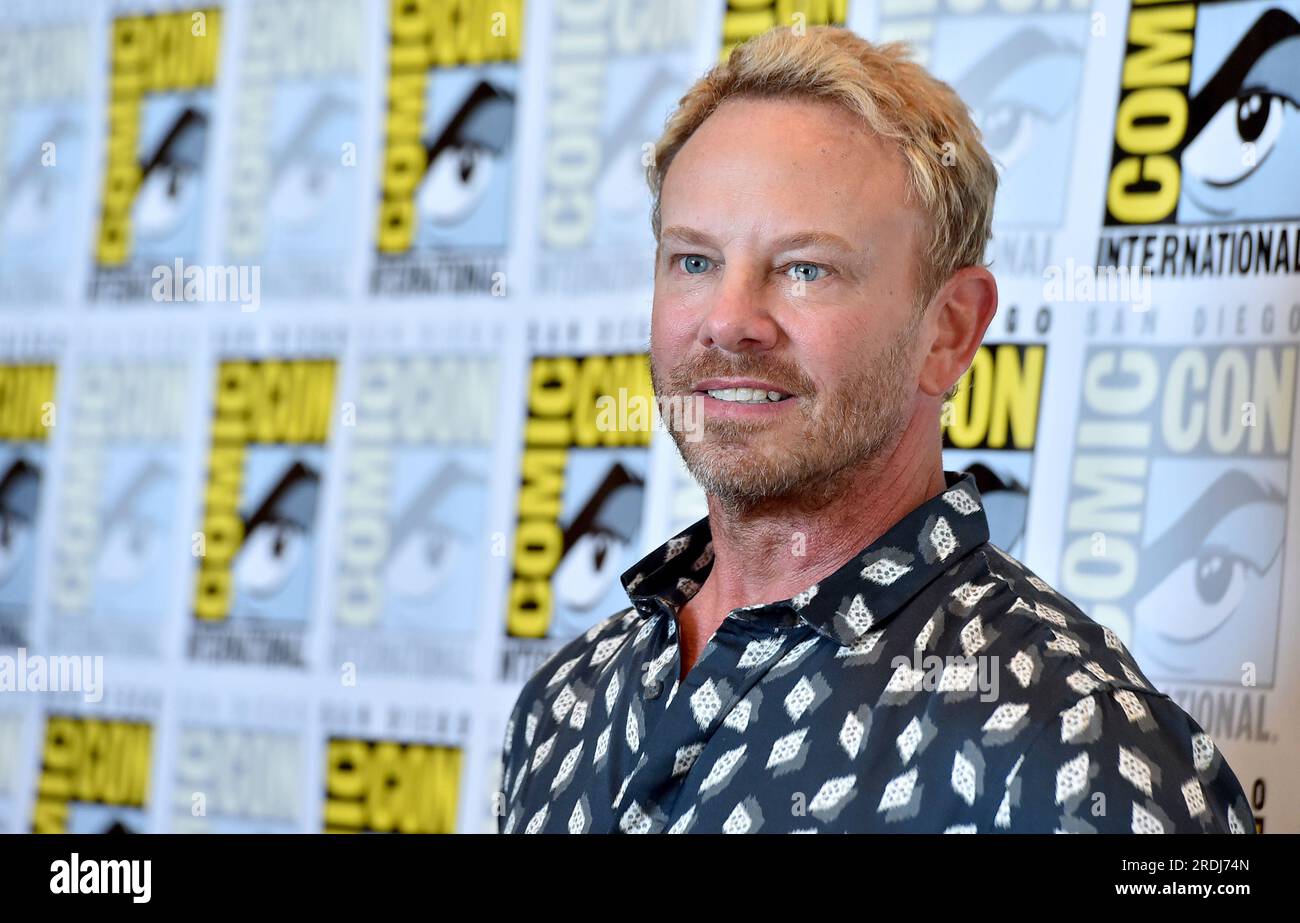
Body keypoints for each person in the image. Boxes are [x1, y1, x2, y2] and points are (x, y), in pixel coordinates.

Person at [498, 25, 1256, 834]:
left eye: (805, 268)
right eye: (694, 261)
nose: (729, 320)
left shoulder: (1077, 747)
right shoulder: (567, 701)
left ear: (950, 331)